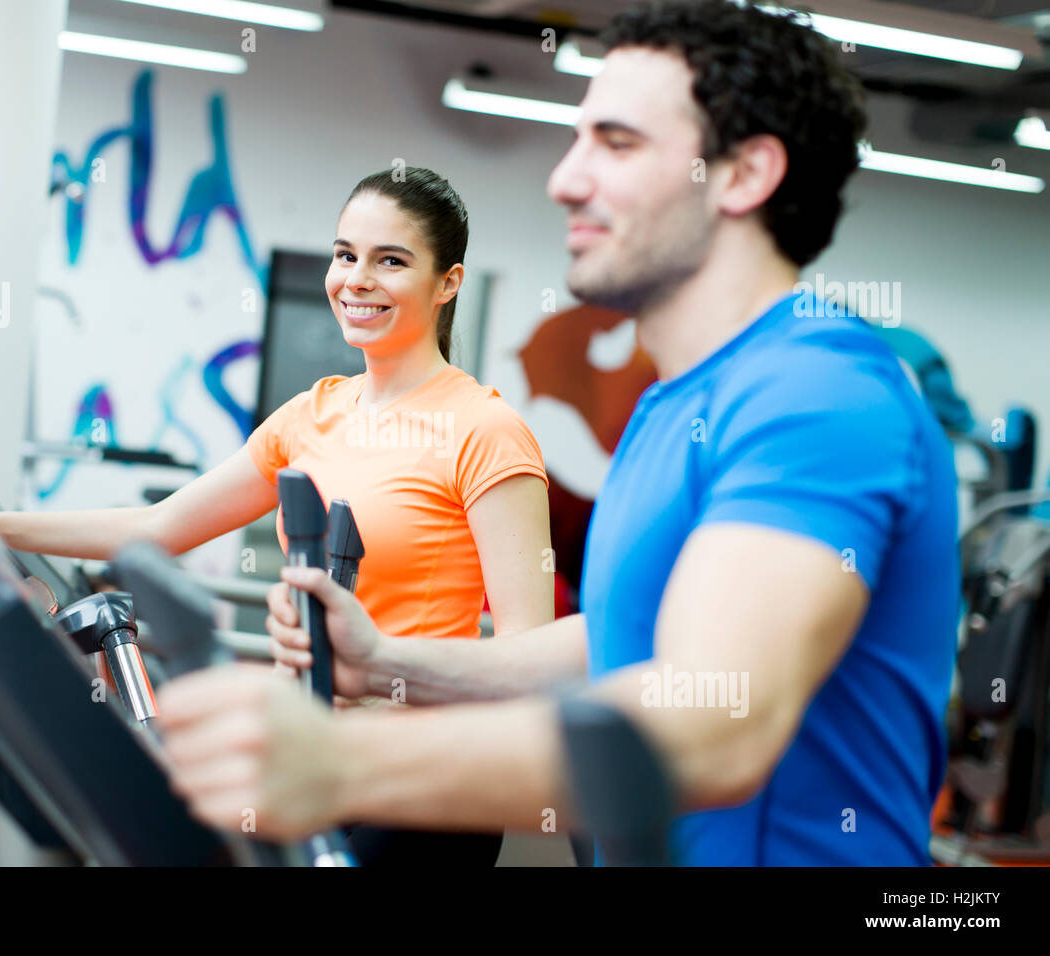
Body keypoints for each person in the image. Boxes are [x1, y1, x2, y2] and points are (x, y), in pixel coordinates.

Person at [153, 0, 959, 866]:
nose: (564, 179)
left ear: (743, 174)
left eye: (616, 144)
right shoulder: (672, 407)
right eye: (577, 141)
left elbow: (714, 724)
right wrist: (387, 661)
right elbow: (618, 637)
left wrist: (341, 760)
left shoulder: (818, 394)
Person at [0, 167, 554, 865]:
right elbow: (160, 528)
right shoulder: (312, 414)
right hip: (310, 756)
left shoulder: (485, 429)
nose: (357, 279)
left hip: (422, 779)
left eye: (391, 260)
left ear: (448, 281)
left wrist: (388, 697)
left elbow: (528, 656)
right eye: (345, 254)